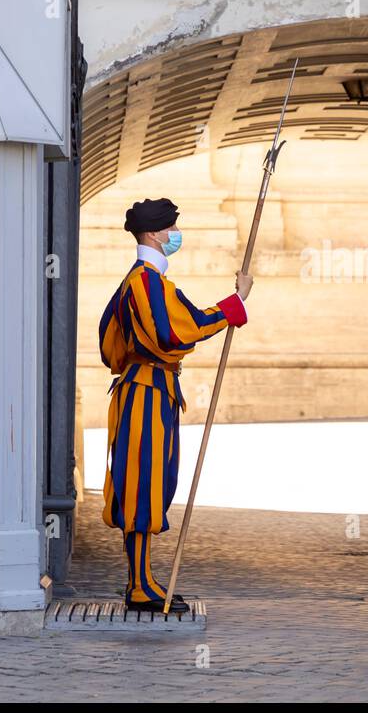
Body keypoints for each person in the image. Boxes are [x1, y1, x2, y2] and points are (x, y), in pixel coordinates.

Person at [98, 197, 252, 613]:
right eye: (169, 230)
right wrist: (234, 304)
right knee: (142, 485)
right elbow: (176, 333)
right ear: (152, 234)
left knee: (149, 482)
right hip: (146, 393)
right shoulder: (145, 282)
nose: (173, 236)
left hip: (151, 390)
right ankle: (139, 586)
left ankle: (142, 580)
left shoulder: (145, 283)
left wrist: (231, 306)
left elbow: (111, 340)